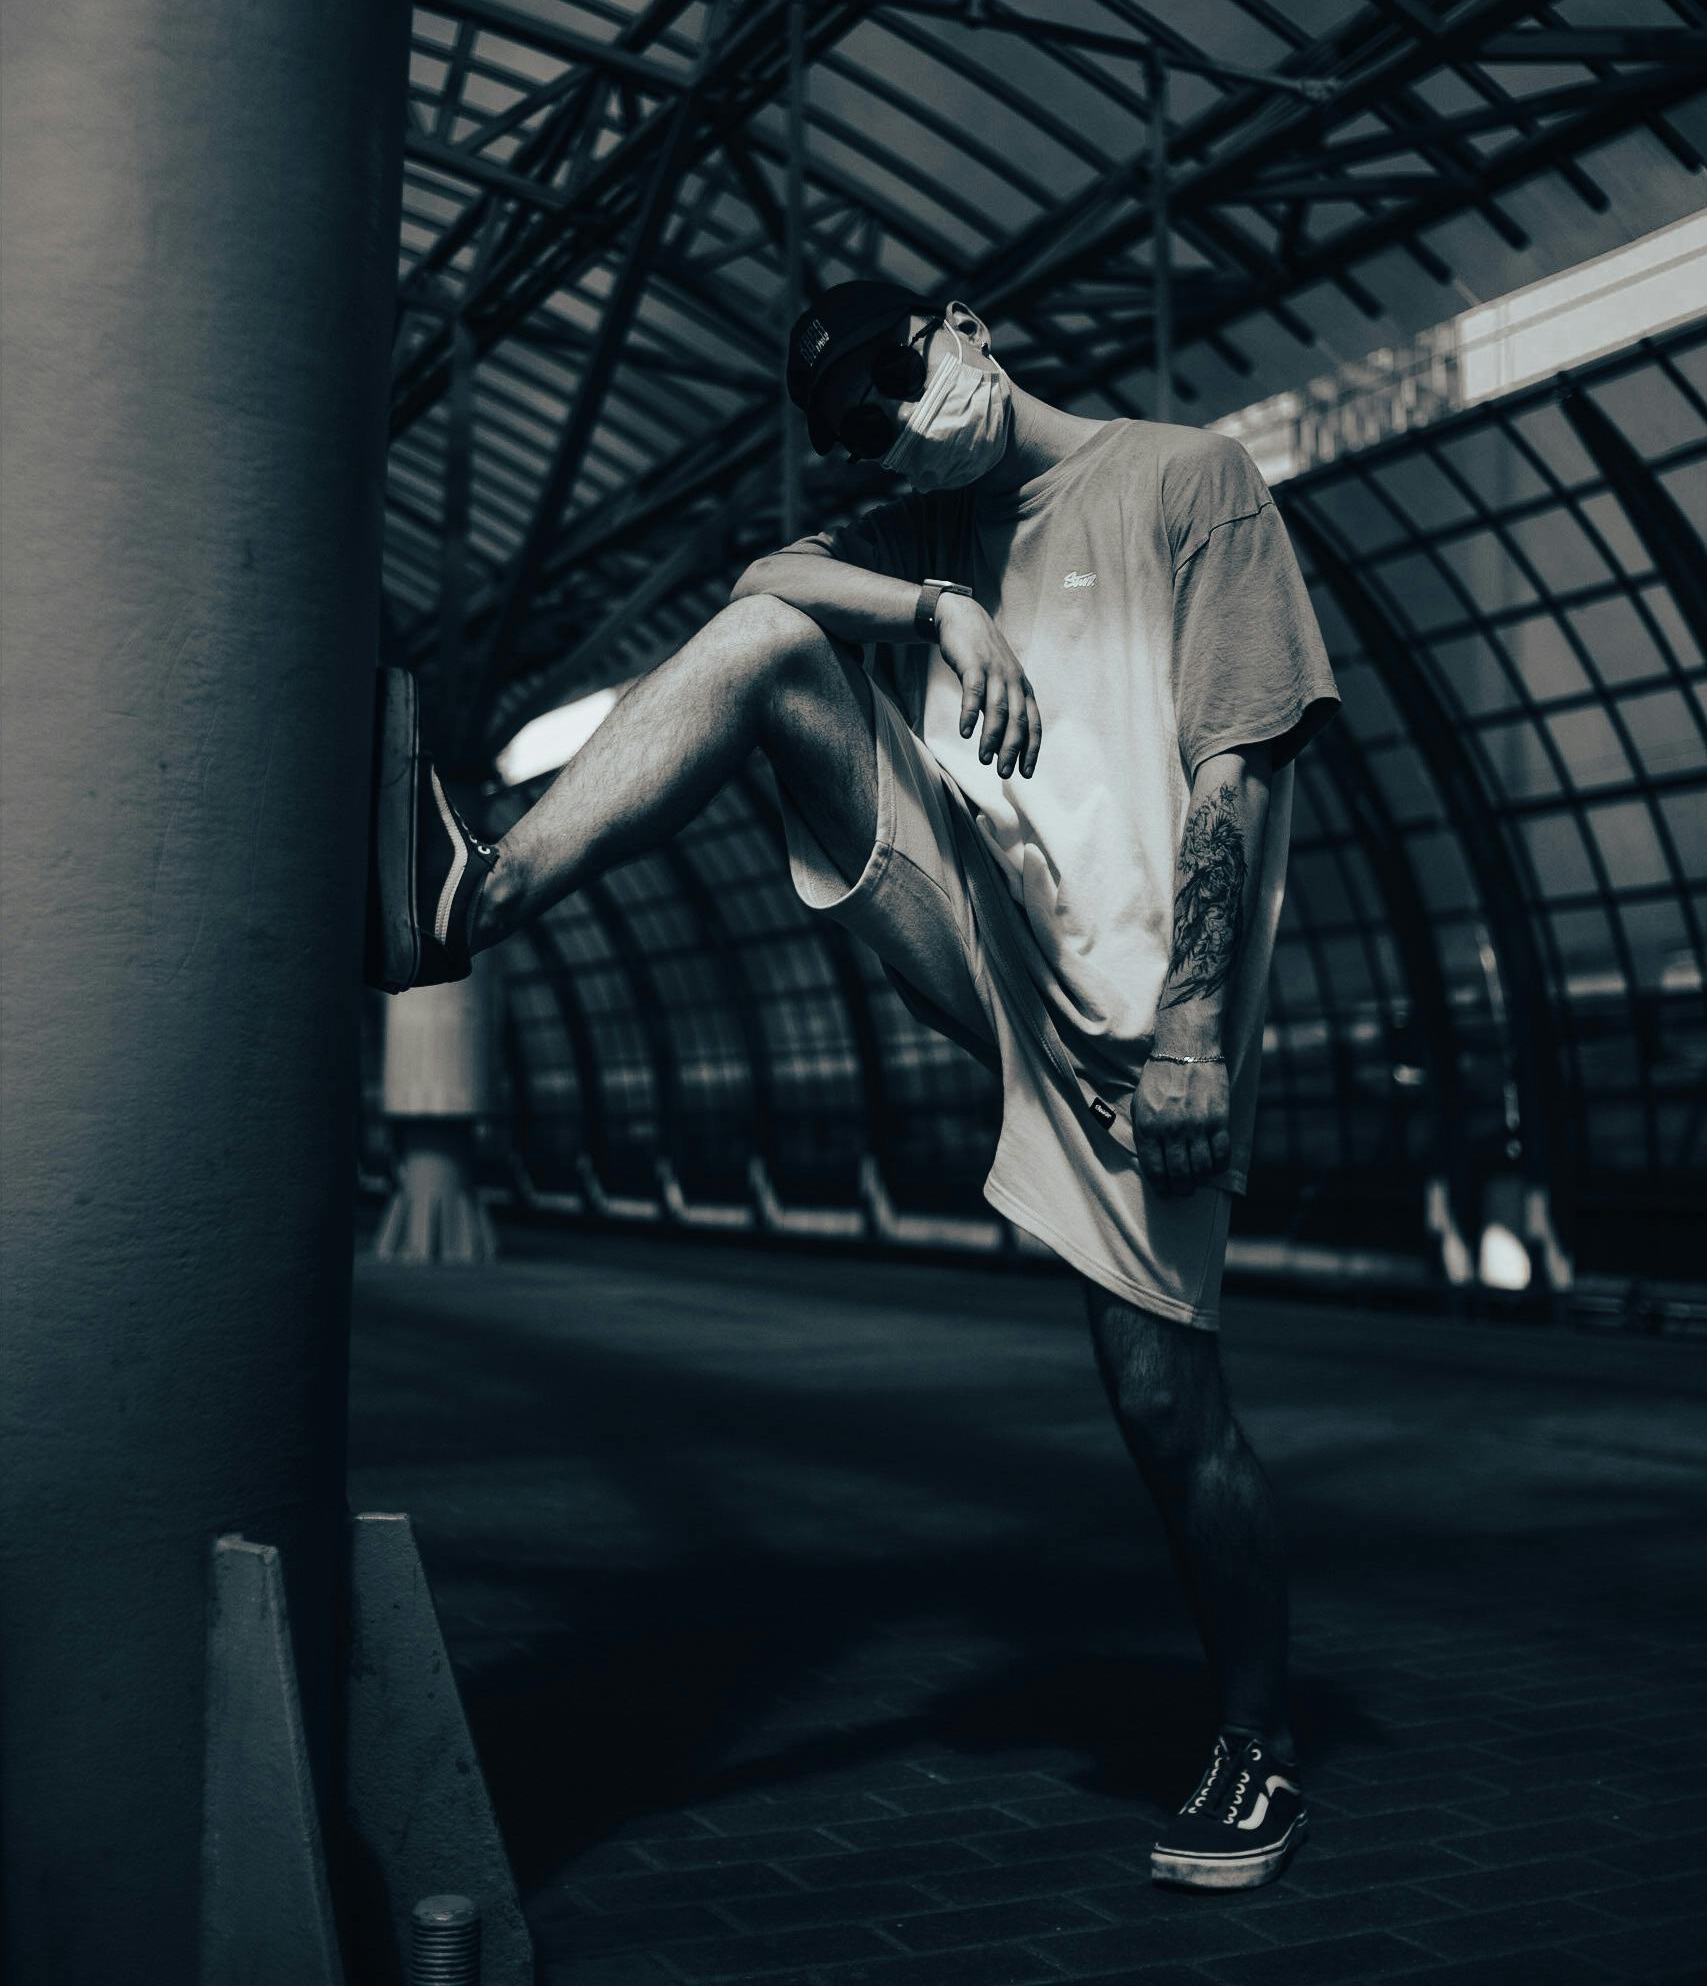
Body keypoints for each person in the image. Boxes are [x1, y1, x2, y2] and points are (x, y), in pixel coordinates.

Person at [367, 280, 1339, 1889]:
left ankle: (1261, 1742)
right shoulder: (936, 538)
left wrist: (1192, 1036)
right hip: (979, 941)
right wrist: (934, 611)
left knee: (1168, 1407)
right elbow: (765, 576)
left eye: (899, 379)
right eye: (859, 429)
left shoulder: (1187, 480)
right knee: (761, 645)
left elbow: (1236, 769)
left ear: (966, 329)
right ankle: (477, 893)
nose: (894, 425)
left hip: (1131, 1023)